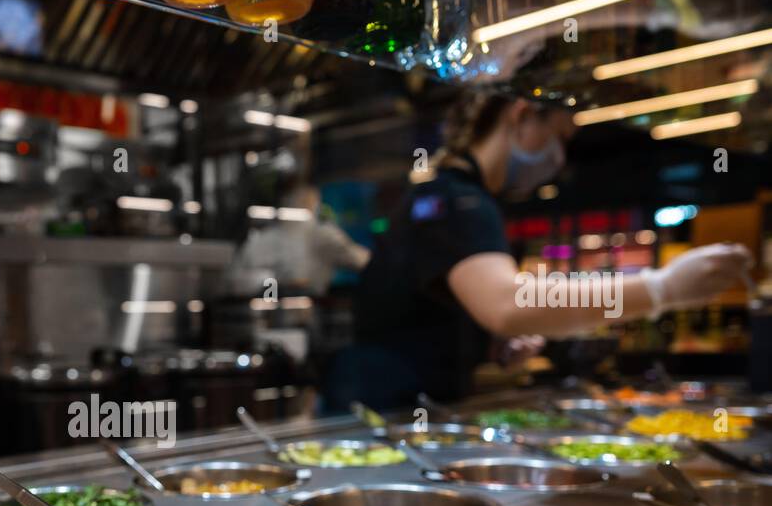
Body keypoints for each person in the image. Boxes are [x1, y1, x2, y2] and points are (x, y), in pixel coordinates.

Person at [324, 90, 753, 410]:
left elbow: (428, 312)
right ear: (523, 115)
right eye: (558, 136)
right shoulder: (459, 201)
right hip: (385, 411)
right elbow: (510, 303)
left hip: (387, 405)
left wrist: (485, 344)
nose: (560, 159)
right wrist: (663, 288)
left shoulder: (444, 196)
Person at [238, 185, 370, 296]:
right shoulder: (321, 234)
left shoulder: (261, 238)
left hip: (261, 314)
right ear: (314, 204)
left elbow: (235, 281)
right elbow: (363, 261)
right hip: (304, 315)